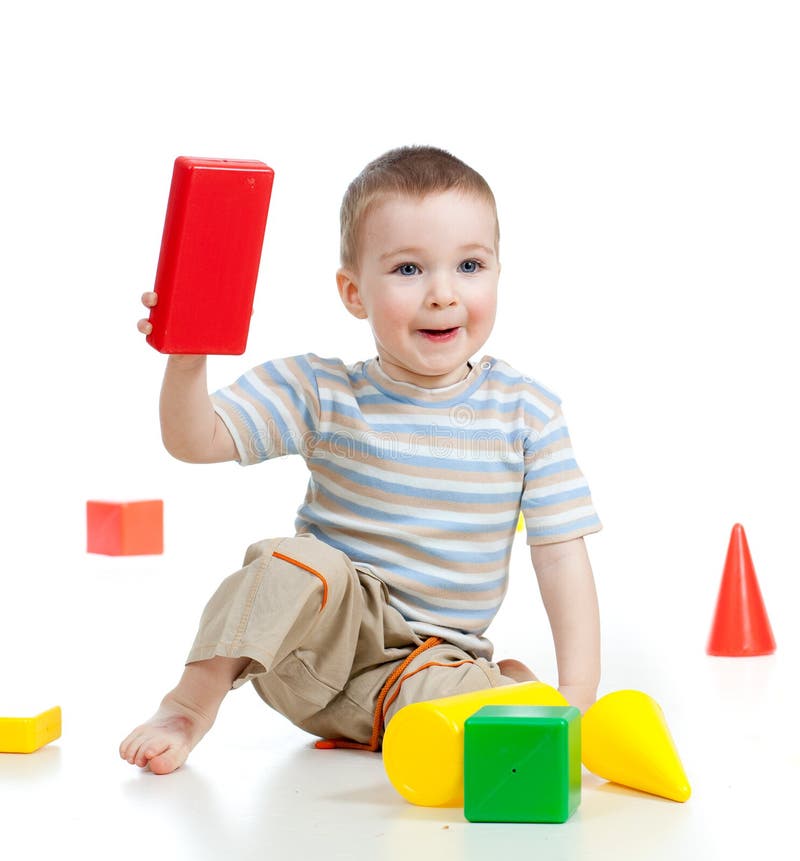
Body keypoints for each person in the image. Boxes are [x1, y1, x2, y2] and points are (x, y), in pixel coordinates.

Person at [120, 145, 602, 775]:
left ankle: (495, 695)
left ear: (498, 273)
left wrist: (578, 698)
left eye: (469, 265)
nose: (442, 294)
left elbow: (561, 553)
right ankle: (187, 706)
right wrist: (187, 357)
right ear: (354, 291)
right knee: (295, 561)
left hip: (427, 668)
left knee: (484, 708)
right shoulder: (321, 391)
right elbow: (194, 440)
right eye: (407, 269)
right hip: (307, 651)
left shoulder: (527, 414)